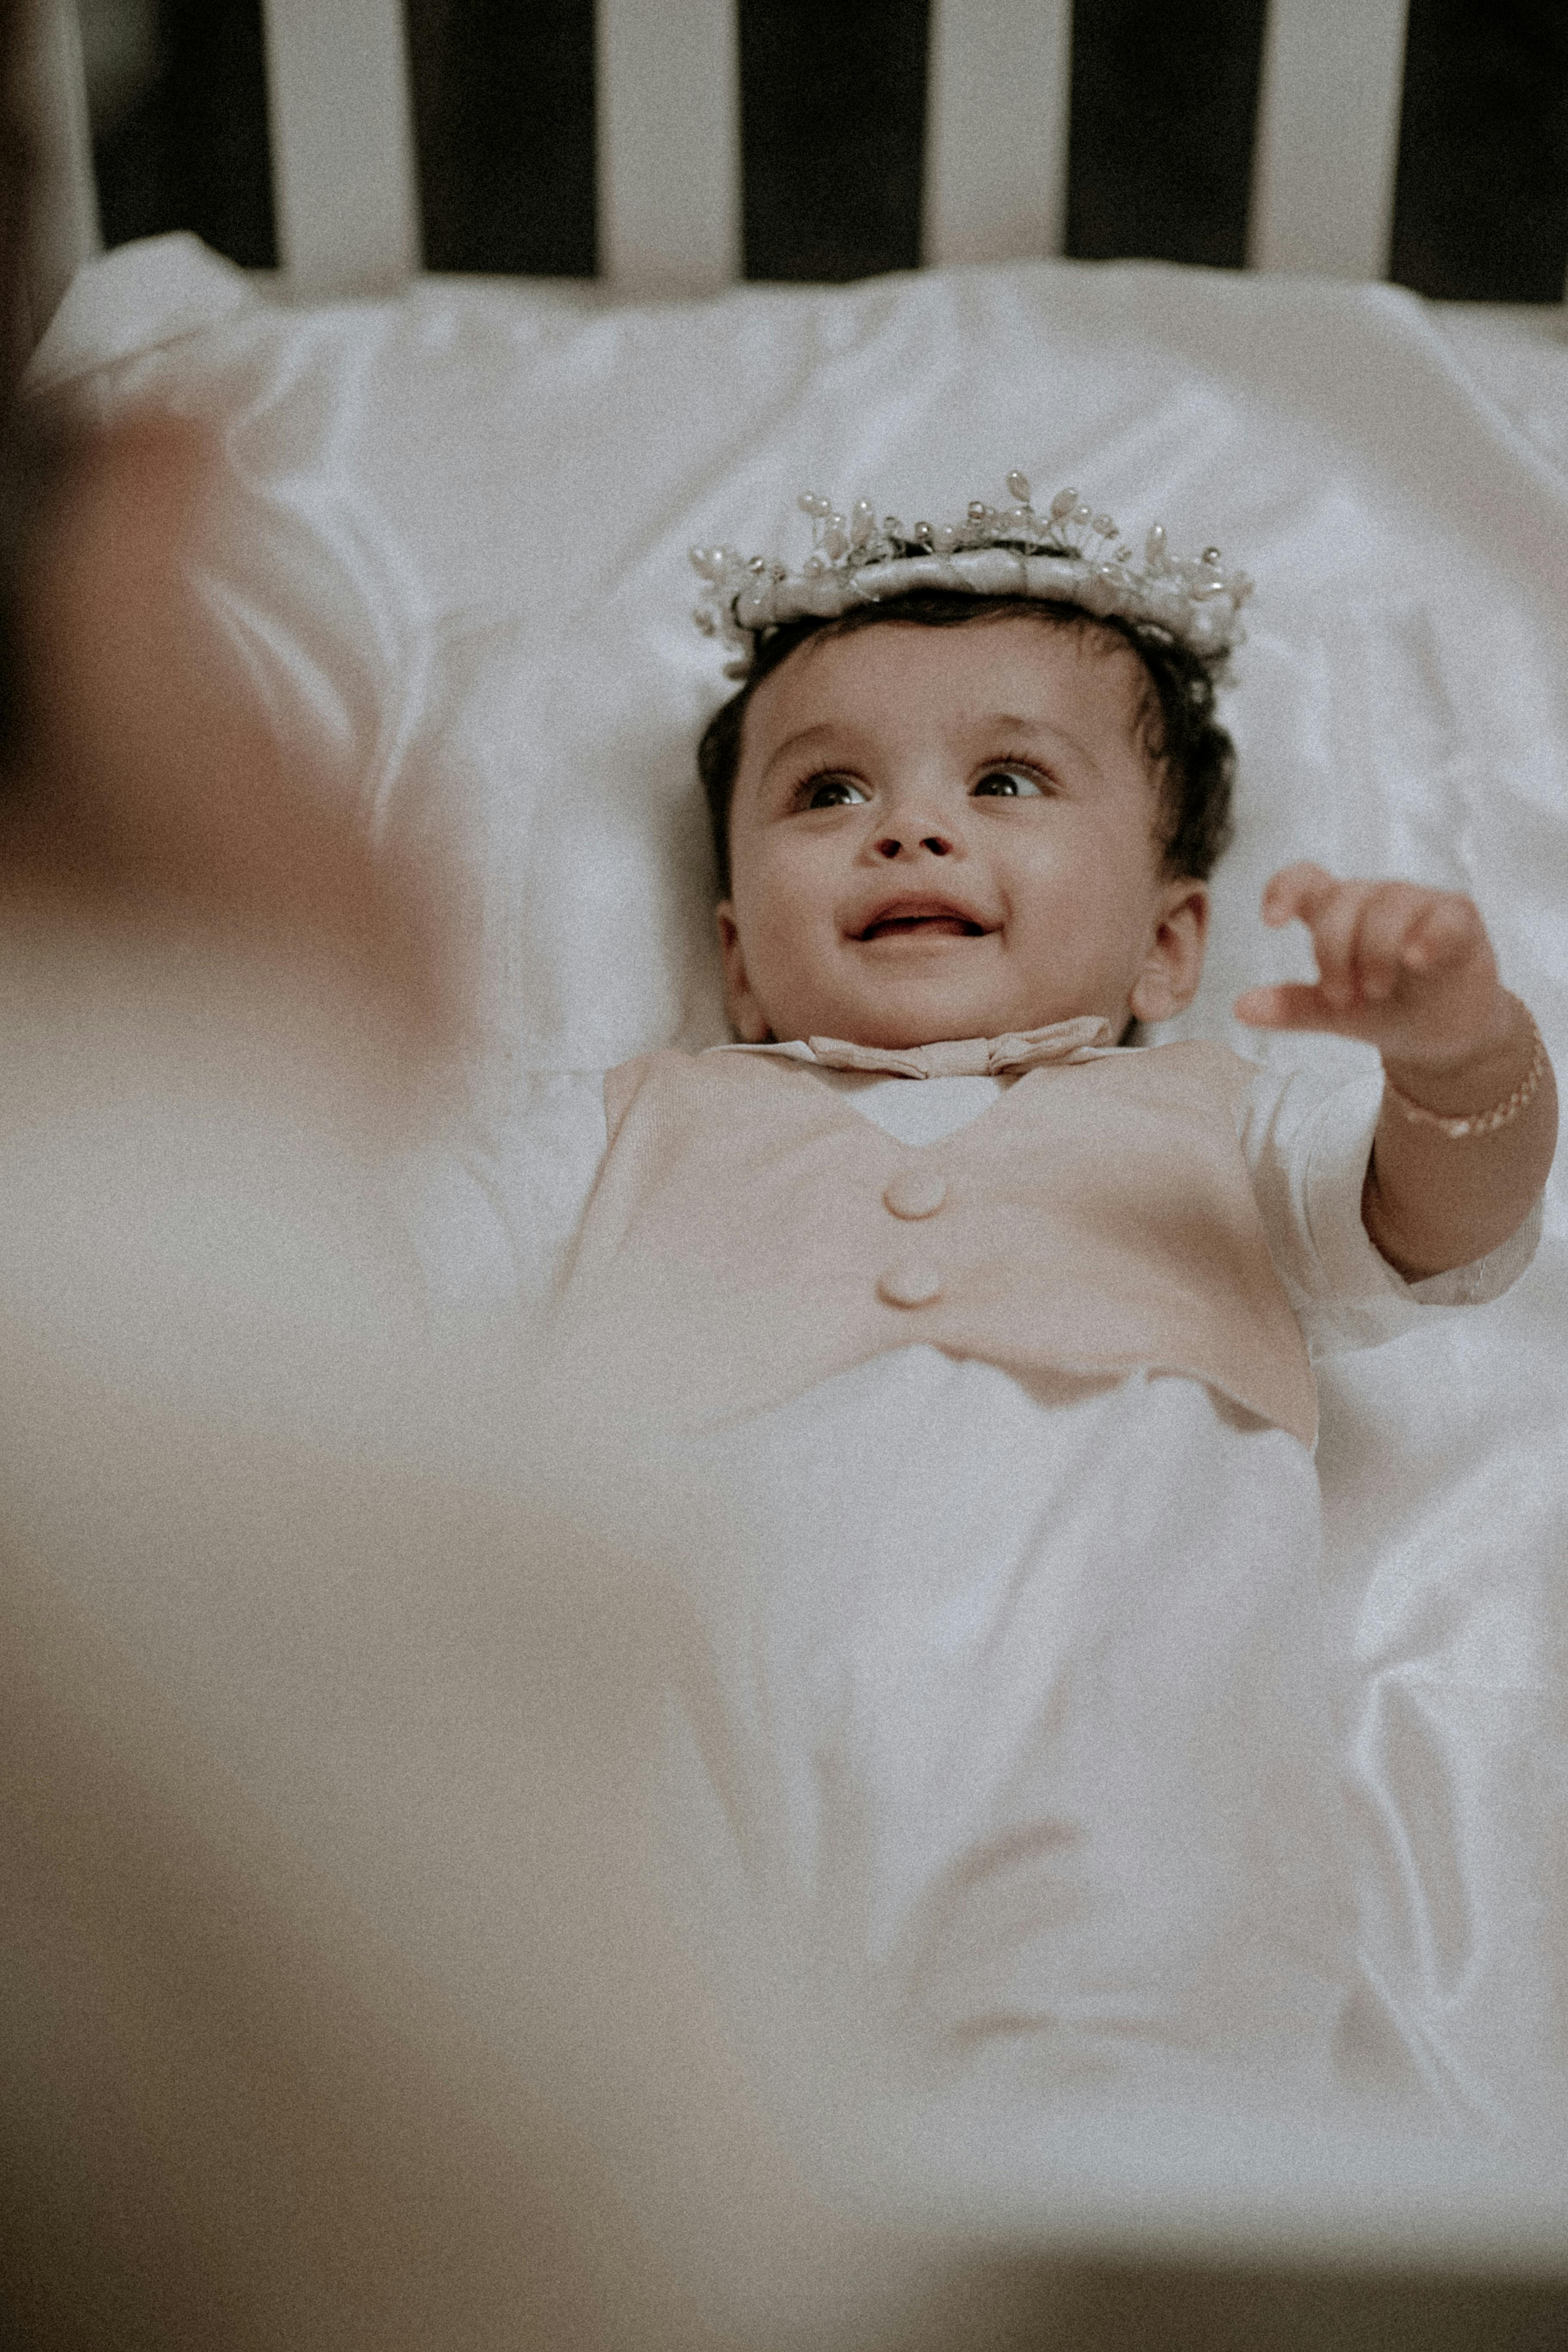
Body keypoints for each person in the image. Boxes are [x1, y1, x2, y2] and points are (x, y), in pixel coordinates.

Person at [544, 481, 1556, 2110]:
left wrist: (1457, 1057)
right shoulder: (624, 1122)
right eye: (828, 791)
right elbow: (345, 1271)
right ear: (737, 955)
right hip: (678, 1719)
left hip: (1117, 1758)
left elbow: (1442, 1221)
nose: (910, 827)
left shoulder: (1219, 1119)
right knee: (610, 2091)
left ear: (1169, 951)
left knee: (1123, 2090)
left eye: (1005, 779)